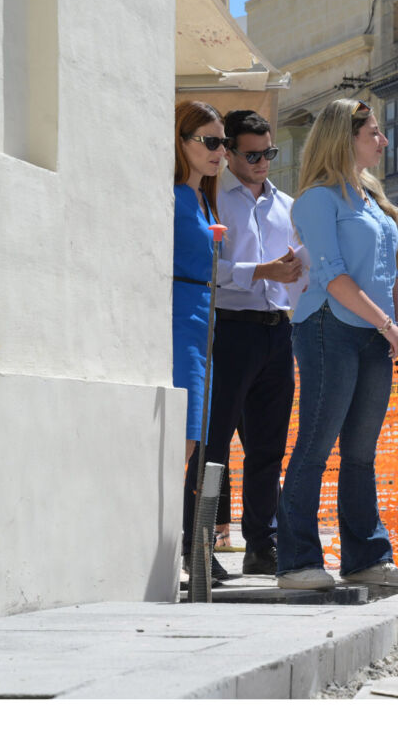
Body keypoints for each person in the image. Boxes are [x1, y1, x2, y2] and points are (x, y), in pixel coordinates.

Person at [276, 99, 398, 590]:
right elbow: (332, 276)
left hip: (374, 336)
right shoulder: (316, 199)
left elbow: (388, 272)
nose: (383, 141)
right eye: (373, 133)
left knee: (360, 452)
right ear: (345, 137)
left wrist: (395, 324)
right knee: (315, 445)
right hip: (327, 330)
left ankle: (366, 558)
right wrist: (387, 324)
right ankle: (296, 562)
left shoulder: (372, 199)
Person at [186, 110, 301, 578]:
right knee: (213, 447)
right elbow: (204, 268)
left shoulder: (287, 205)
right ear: (228, 152)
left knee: (268, 446)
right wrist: (261, 270)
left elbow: (298, 270)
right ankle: (199, 547)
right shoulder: (211, 200)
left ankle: (262, 545)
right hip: (229, 331)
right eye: (251, 154)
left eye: (268, 153)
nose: (262, 162)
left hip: (278, 330)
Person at [173, 100, 234, 582]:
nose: (220, 152)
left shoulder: (203, 200)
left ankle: (193, 549)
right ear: (183, 140)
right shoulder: (174, 196)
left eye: (223, 144)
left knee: (198, 437)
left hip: (203, 319)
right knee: (186, 441)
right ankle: (181, 547)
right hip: (179, 318)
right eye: (210, 142)